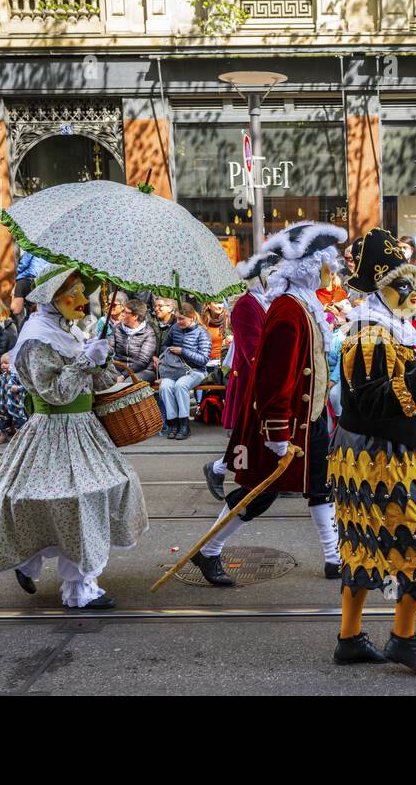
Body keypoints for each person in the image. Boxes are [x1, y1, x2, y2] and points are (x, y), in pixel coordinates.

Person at [328, 226, 416, 677]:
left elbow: (383, 395)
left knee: (363, 545)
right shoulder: (371, 334)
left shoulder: (382, 327)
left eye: (411, 282)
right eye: (401, 284)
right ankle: (403, 640)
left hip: (368, 453)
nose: (411, 291)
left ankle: (349, 639)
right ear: (376, 286)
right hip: (378, 458)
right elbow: (375, 399)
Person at [190, 222, 348, 587]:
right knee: (259, 494)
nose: (333, 270)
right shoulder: (288, 311)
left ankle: (332, 557)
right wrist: (278, 436)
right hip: (283, 425)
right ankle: (208, 551)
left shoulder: (304, 304)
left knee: (322, 485)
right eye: (328, 263)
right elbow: (273, 380)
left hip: (310, 420)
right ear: (310, 265)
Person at [0, 265, 146, 610]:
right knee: (73, 502)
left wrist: (101, 362)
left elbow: (96, 384)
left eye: (80, 292)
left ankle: (33, 563)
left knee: (106, 489)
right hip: (53, 430)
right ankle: (78, 590)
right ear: (50, 299)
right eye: (70, 293)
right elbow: (55, 392)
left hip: (84, 428)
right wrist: (84, 363)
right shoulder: (35, 339)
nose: (81, 300)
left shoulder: (69, 331)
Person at [203, 248, 282, 501]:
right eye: (272, 275)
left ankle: (257, 474)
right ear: (259, 278)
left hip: (264, 378)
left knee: (258, 434)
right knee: (247, 434)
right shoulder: (247, 306)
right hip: (251, 380)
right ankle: (225, 471)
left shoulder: (269, 302)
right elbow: (253, 351)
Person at [155, 303, 211, 441]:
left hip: (195, 371)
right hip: (174, 370)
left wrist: (183, 351)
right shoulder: (174, 328)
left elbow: (204, 359)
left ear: (191, 317)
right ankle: (173, 423)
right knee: (166, 386)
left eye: (182, 319)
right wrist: (168, 352)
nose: (178, 322)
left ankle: (184, 424)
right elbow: (164, 346)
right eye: (177, 318)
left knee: (181, 385)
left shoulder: (202, 332)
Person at [108, 299, 158, 383]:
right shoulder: (118, 328)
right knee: (104, 379)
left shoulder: (148, 333)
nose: (122, 314)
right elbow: (109, 348)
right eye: (123, 311)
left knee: (127, 383)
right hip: (118, 369)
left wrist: (123, 376)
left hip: (142, 371)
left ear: (135, 316)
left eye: (126, 312)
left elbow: (142, 362)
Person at [0, 352, 28, 445]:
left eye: (6, 363)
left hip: (15, 403)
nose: (3, 365)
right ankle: (3, 434)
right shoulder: (2, 376)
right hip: (4, 403)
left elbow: (26, 386)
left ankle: (20, 436)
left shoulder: (18, 375)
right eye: (1, 363)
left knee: (19, 420)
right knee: (2, 419)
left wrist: (17, 388)